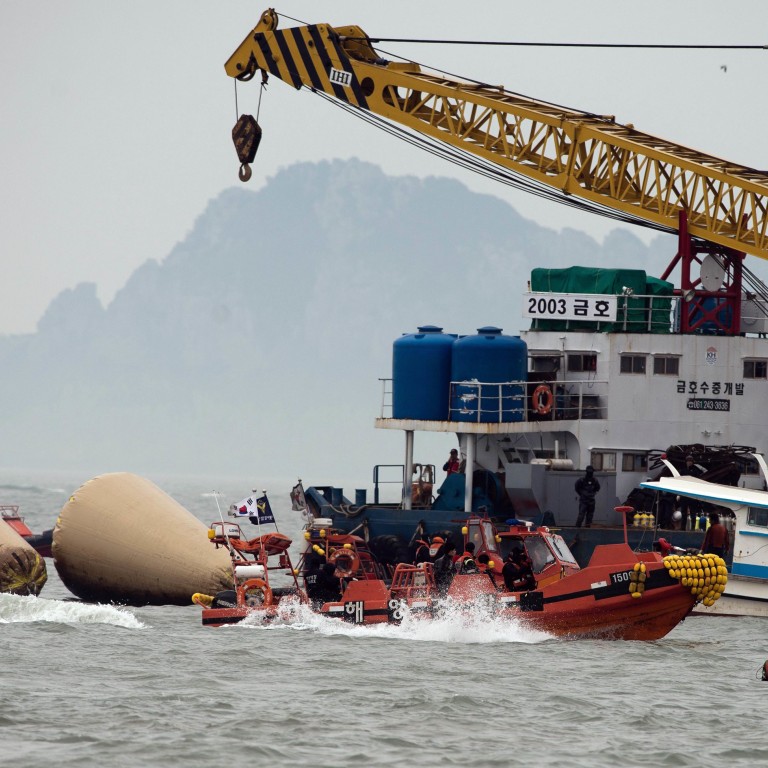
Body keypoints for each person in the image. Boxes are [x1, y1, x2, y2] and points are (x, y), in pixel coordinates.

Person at [679, 455, 703, 531]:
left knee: (693, 513)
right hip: (684, 494)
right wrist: (679, 493)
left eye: (690, 461)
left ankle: (693, 528)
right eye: (688, 461)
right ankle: (683, 528)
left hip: (692, 495)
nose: (689, 462)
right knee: (683, 512)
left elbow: (698, 482)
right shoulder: (682, 471)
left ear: (692, 462)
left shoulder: (696, 471)